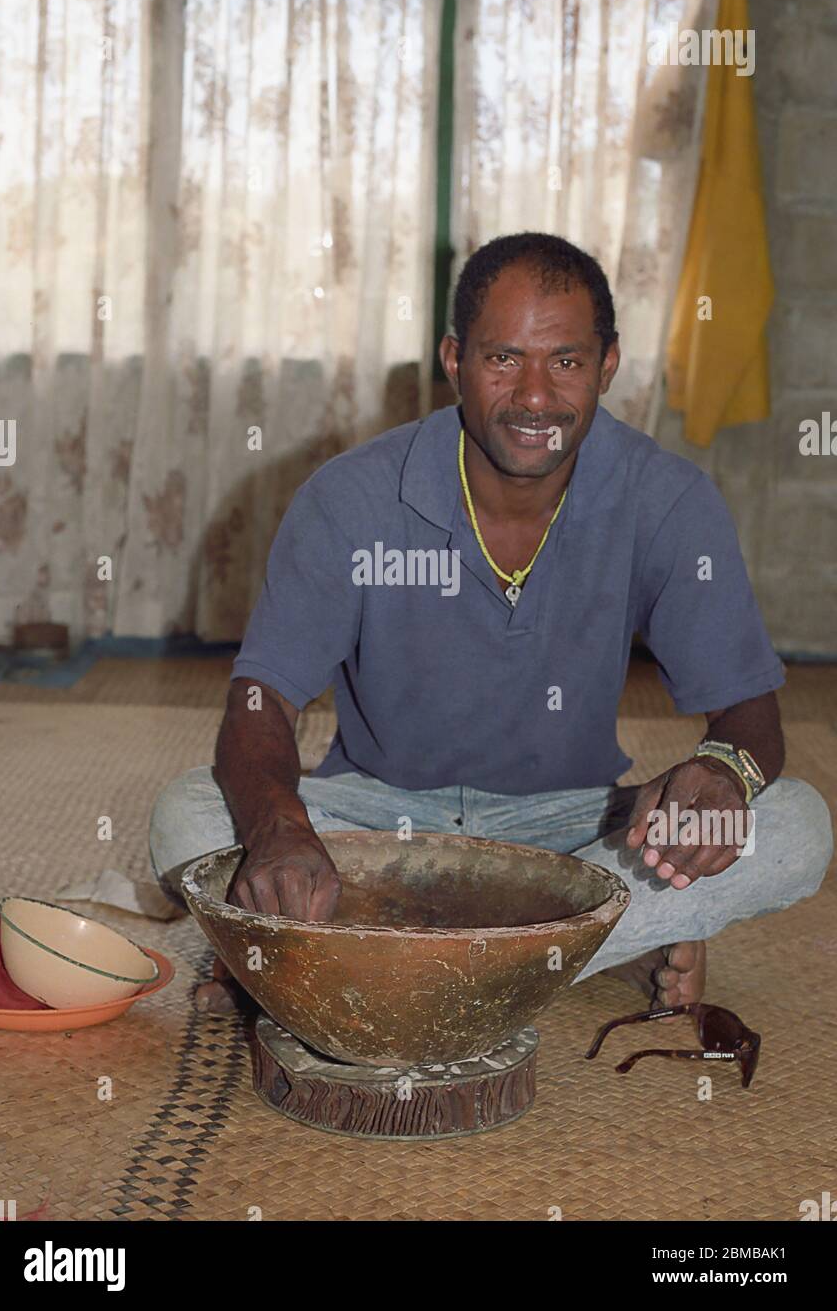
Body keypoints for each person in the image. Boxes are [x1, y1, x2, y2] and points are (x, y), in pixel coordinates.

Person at [150, 232, 833, 1015]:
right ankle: (570, 945)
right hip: (377, 824)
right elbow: (259, 697)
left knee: (794, 825)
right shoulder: (350, 498)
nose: (535, 396)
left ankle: (364, 965)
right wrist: (279, 829)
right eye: (502, 358)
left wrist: (720, 772)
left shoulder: (667, 502)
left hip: (569, 827)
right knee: (188, 815)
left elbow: (749, 714)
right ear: (453, 361)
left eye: (566, 362)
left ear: (607, 366)